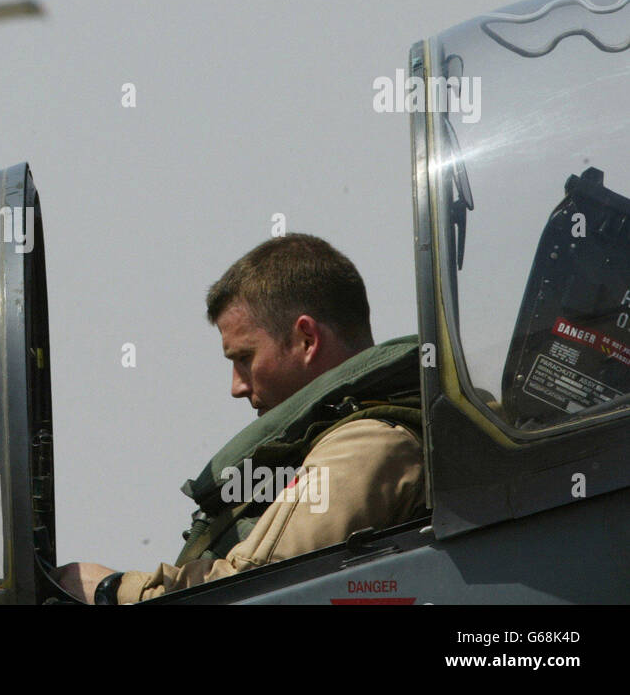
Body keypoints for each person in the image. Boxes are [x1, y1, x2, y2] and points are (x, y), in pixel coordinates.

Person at [54, 234, 426, 604]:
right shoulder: (350, 437)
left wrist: (110, 591)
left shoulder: (367, 445)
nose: (236, 386)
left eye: (244, 358)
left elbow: (258, 589)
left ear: (307, 339)